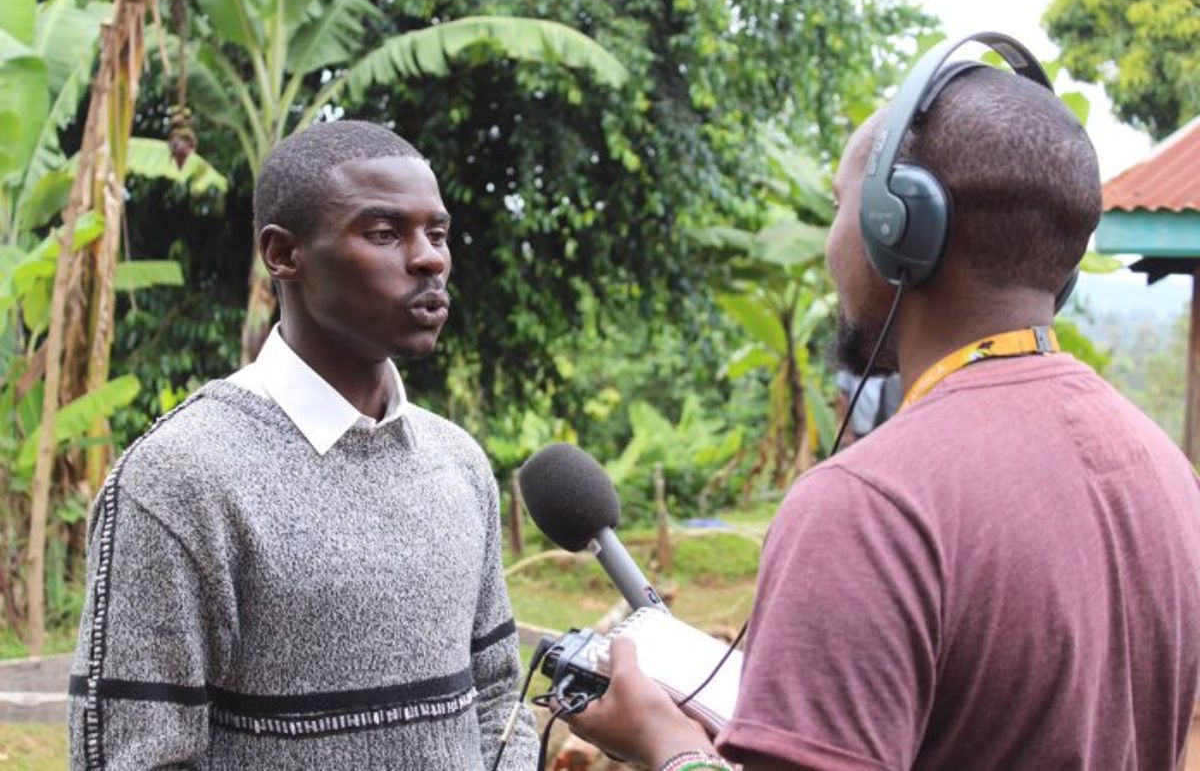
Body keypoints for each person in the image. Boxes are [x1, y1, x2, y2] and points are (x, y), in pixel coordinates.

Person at [563, 46, 1200, 769]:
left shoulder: (869, 507)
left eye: (843, 207)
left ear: (899, 227)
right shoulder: (1167, 471)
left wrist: (670, 745)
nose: (832, 243)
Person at [67, 121, 538, 770]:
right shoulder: (181, 479)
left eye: (437, 233)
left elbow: (498, 698)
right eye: (384, 233)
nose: (429, 259)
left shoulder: (458, 463)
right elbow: (134, 755)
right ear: (284, 254)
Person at [833, 371, 901, 445]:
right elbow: (843, 396)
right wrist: (846, 431)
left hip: (885, 428)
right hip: (858, 431)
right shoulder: (849, 368)